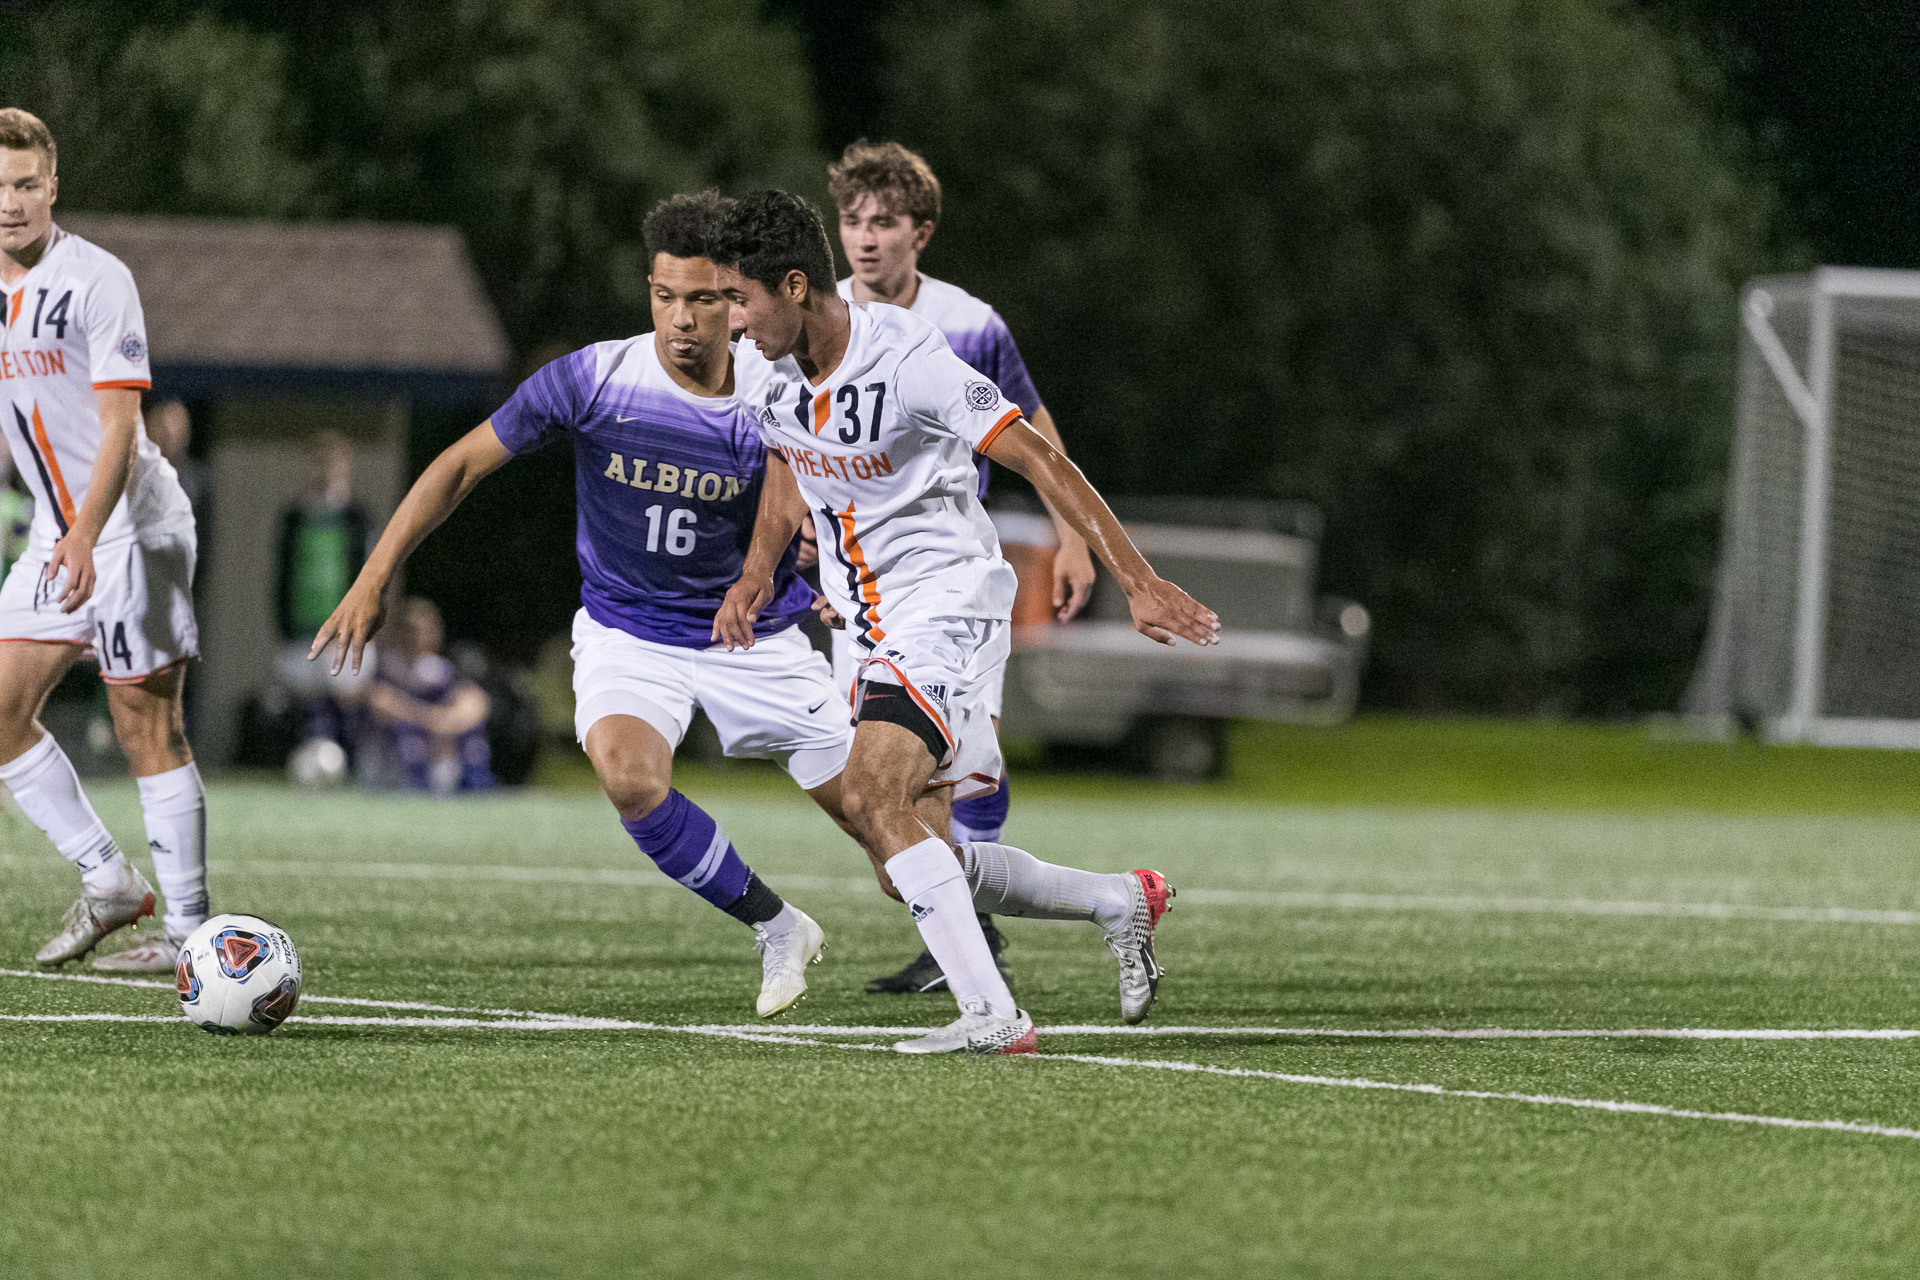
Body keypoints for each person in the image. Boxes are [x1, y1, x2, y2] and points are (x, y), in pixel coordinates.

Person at [311, 191, 850, 1018]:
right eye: (664, 296)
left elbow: (835, 495)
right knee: (630, 781)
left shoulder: (777, 392)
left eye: (703, 299)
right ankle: (778, 926)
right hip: (629, 633)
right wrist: (373, 577)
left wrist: (831, 567)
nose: (681, 319)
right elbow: (459, 465)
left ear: (737, 300)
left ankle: (1050, 908)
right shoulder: (596, 377)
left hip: (754, 636)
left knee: (885, 823)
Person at [712, 190, 1219, 1053]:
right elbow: (787, 465)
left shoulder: (908, 359)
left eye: (739, 299)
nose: (731, 321)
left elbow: (1040, 459)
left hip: (947, 604)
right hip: (866, 627)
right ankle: (1116, 899)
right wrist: (758, 573)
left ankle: (994, 1016)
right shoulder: (766, 368)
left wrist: (1136, 580)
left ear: (794, 286)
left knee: (872, 795)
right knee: (905, 858)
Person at [826, 139, 1099, 997]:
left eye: (885, 221)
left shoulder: (969, 322)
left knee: (958, 759)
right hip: (854, 590)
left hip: (948, 580)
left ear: (922, 232)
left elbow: (1035, 431)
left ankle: (968, 941)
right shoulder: (817, 318)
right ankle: (978, 926)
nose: (865, 237)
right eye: (852, 220)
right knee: (874, 791)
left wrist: (1073, 538)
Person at [0, 108, 210, 972]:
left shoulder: (96, 279)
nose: (9, 202)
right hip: (57, 531)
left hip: (129, 526)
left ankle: (191, 936)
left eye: (24, 184)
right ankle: (110, 881)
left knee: (143, 720)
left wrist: (86, 534)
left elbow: (121, 426)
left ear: (53, 186)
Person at [275, 430, 371, 755]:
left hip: (345, 631)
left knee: (345, 707)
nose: (324, 471)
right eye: (317, 463)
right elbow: (282, 577)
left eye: (332, 464)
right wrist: (285, 628)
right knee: (307, 708)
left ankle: (349, 765)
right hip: (302, 631)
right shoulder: (293, 519)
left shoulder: (357, 518)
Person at [366, 597, 494, 795]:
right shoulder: (388, 672)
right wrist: (436, 720)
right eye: (409, 630)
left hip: (445, 760)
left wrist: (424, 717)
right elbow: (379, 702)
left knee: (461, 742)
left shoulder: (452, 669)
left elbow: (475, 708)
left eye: (424, 630)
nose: (415, 638)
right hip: (399, 767)